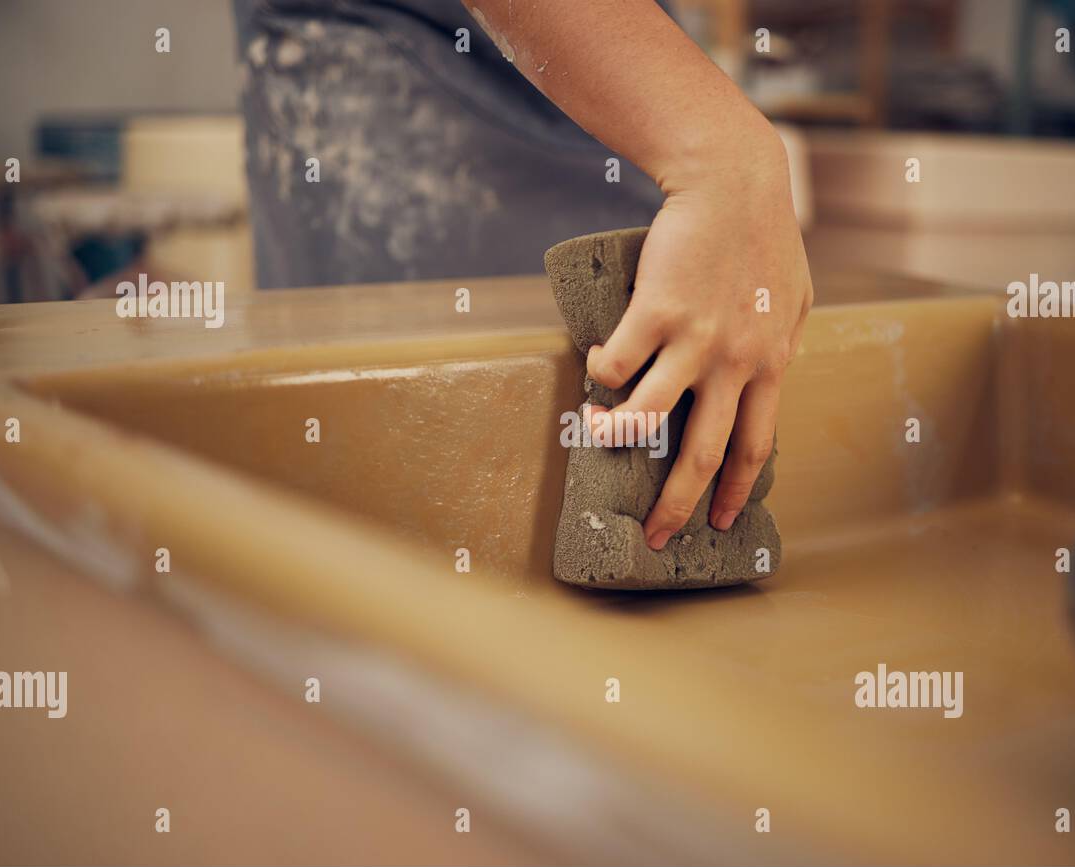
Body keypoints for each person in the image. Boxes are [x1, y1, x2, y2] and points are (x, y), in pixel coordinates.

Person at [234, 0, 813, 552]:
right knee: (432, 511)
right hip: (396, 75)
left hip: (616, 83)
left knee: (646, 436)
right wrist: (727, 159)